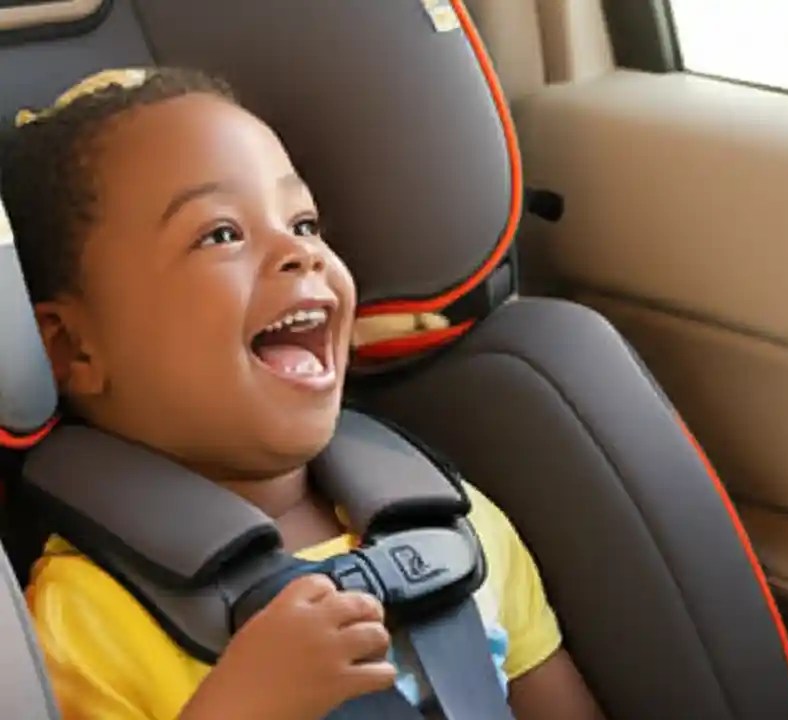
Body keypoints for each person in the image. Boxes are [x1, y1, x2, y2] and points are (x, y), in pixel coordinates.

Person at [1, 67, 607, 720]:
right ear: (75, 349)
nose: (301, 253)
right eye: (220, 234)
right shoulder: (84, 619)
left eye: (305, 223)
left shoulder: (456, 527)